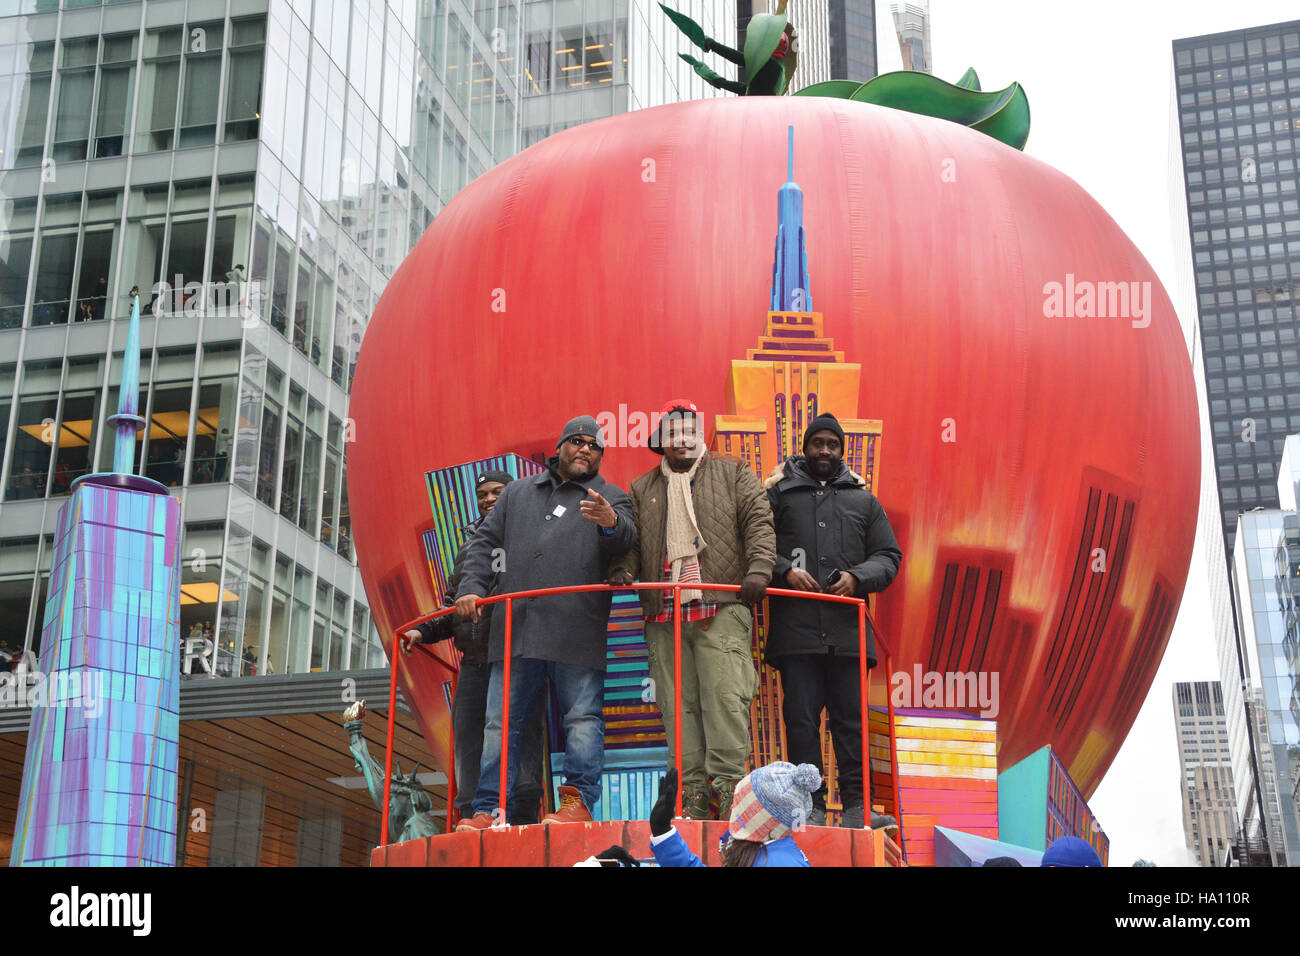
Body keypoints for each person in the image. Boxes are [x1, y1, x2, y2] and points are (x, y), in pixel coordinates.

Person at [454, 416, 637, 829]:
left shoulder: (609, 495)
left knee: (582, 720)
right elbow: (484, 543)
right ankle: (487, 808)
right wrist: (471, 587)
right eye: (577, 441)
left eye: (595, 445)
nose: (586, 449)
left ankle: (578, 803)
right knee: (500, 723)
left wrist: (610, 522)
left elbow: (627, 539)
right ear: (559, 447)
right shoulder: (518, 492)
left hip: (577, 630)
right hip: (516, 630)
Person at [608, 399, 775, 820]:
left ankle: (730, 797)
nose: (681, 439)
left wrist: (758, 568)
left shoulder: (732, 470)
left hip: (719, 604)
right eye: (672, 433)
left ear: (699, 434)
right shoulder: (641, 487)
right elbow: (633, 544)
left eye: (688, 430)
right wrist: (623, 570)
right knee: (677, 707)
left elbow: (758, 520)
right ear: (661, 442)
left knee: (724, 699)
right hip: (663, 614)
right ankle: (693, 798)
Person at [764, 412, 903, 831]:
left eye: (832, 444)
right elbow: (753, 542)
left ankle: (859, 811)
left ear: (842, 450)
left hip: (848, 633)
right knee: (802, 722)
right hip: (797, 632)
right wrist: (785, 568)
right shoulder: (779, 495)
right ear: (805, 447)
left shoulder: (864, 500)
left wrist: (857, 577)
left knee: (851, 724)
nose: (824, 450)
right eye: (817, 443)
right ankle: (812, 809)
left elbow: (889, 557)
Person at [400, 470, 549, 825]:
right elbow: (453, 604)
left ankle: (523, 814)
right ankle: (470, 813)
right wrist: (422, 631)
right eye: (482, 494)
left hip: (519, 656)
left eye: (496, 491)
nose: (488, 499)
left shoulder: (534, 533)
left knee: (522, 733)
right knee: (468, 736)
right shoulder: (470, 545)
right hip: (475, 658)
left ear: (513, 493)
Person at [648, 763, 819, 867]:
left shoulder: (779, 863)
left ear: (757, 817)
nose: (733, 807)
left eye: (740, 803)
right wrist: (663, 833)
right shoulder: (760, 846)